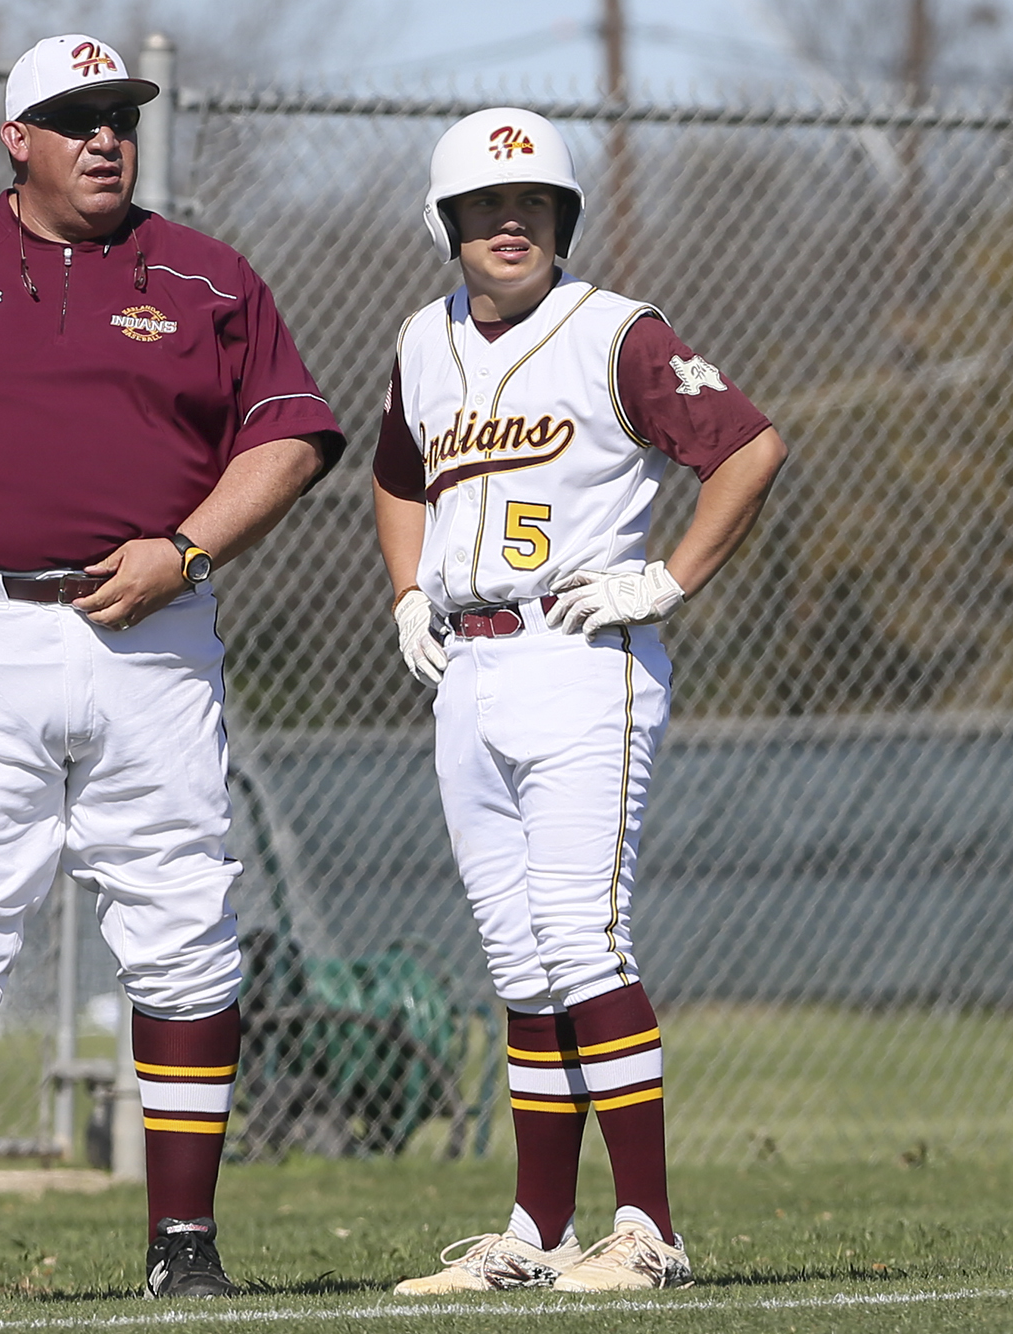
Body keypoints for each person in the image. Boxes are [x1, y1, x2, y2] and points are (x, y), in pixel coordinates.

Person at [0, 32, 345, 1305]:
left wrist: (189, 550)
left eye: (118, 115)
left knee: (184, 927)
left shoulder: (204, 275)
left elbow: (292, 439)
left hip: (147, 631)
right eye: (73, 115)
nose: (104, 136)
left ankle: (184, 1248)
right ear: (14, 138)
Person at [373, 108, 787, 1294]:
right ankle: (532, 1231)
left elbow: (745, 445)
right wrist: (407, 592)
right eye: (487, 207)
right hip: (465, 662)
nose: (513, 223)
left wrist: (668, 575)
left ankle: (646, 1228)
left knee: (579, 934)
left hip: (576, 648)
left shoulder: (615, 332)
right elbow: (395, 472)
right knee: (516, 957)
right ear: (445, 222)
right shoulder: (420, 339)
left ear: (562, 217)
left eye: (534, 205)